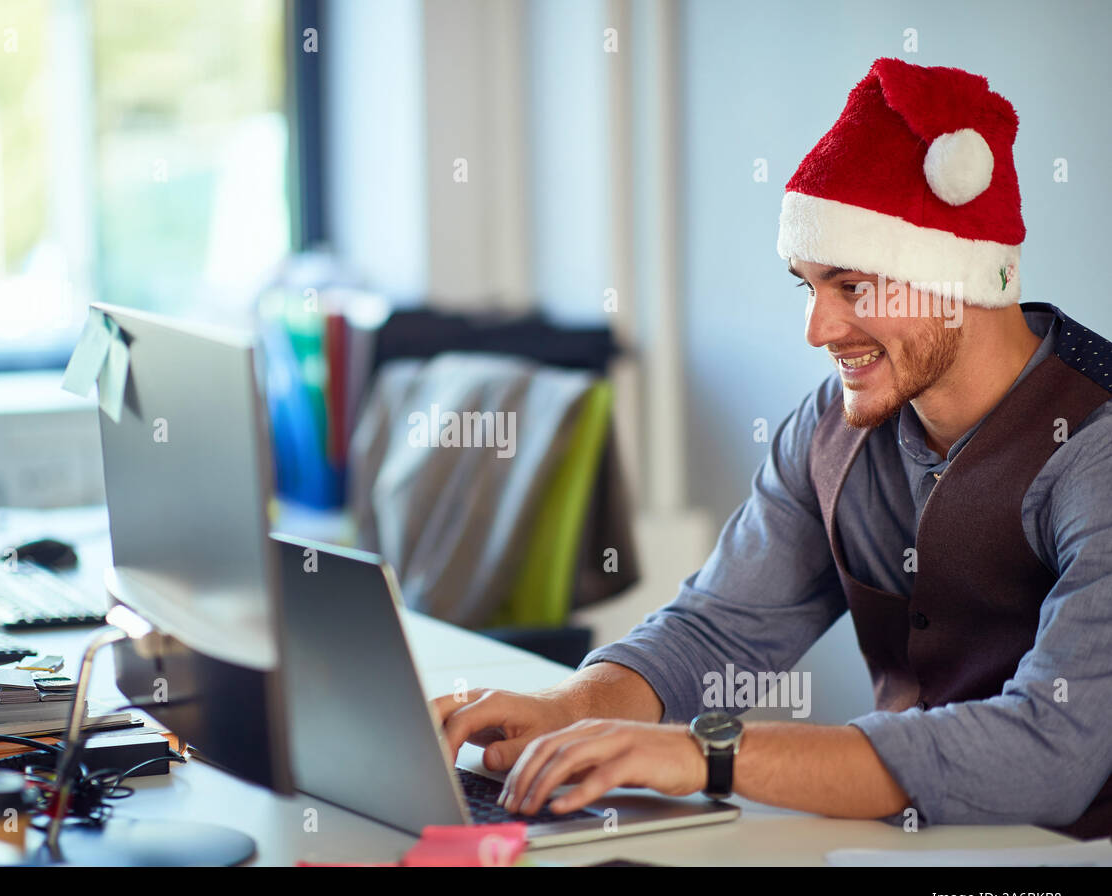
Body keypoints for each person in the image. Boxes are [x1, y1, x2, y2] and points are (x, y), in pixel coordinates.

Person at [433, 57, 1112, 838]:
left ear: (955, 277)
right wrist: (568, 712)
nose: (818, 331)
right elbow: (717, 630)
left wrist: (709, 754)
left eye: (852, 287)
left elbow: (1053, 754)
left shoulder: (1094, 446)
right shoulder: (834, 427)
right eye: (808, 287)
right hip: (907, 847)